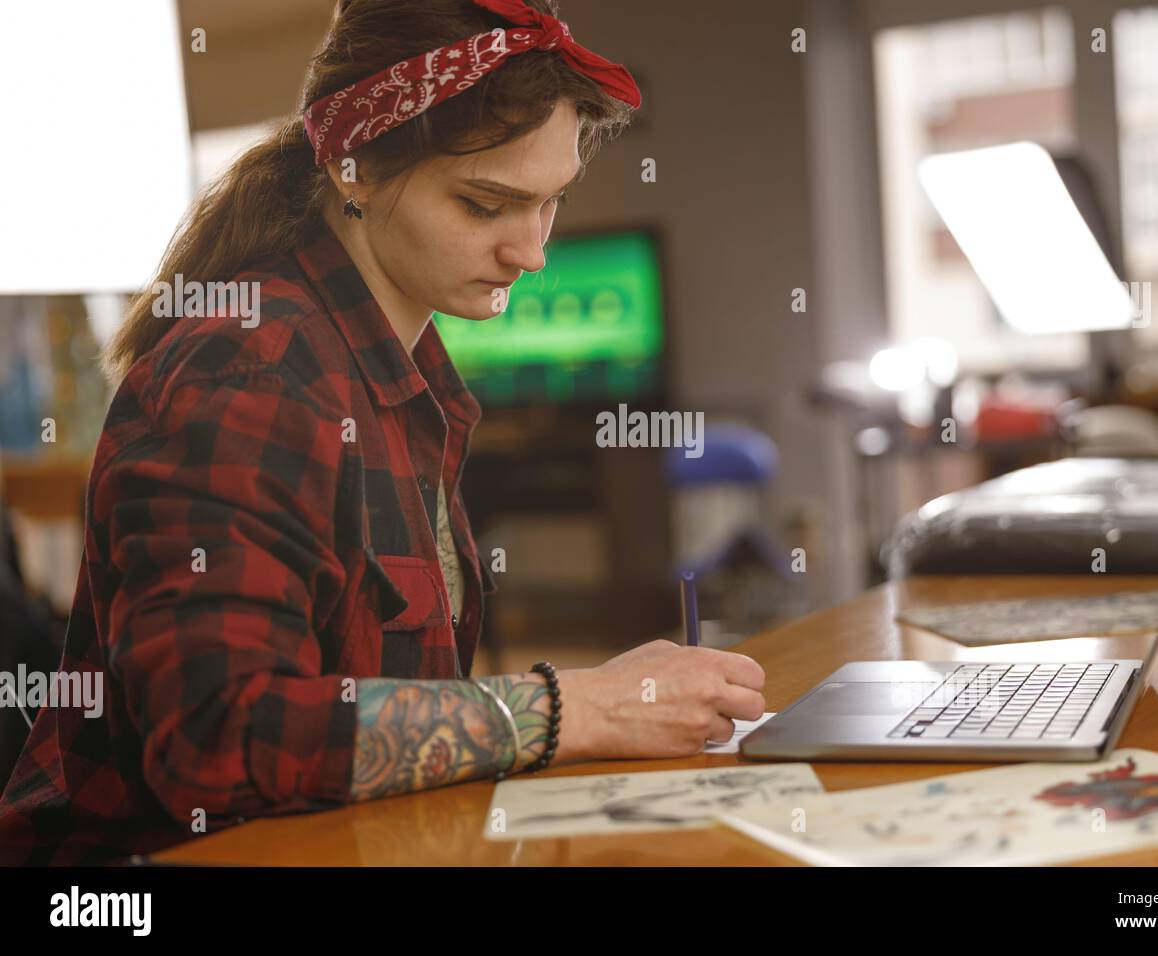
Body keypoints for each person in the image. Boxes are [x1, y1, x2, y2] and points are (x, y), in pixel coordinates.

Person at [0, 0, 765, 865]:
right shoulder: (249, 369)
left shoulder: (398, 368)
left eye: (550, 203)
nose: (534, 252)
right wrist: (576, 708)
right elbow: (219, 745)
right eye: (486, 206)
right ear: (354, 170)